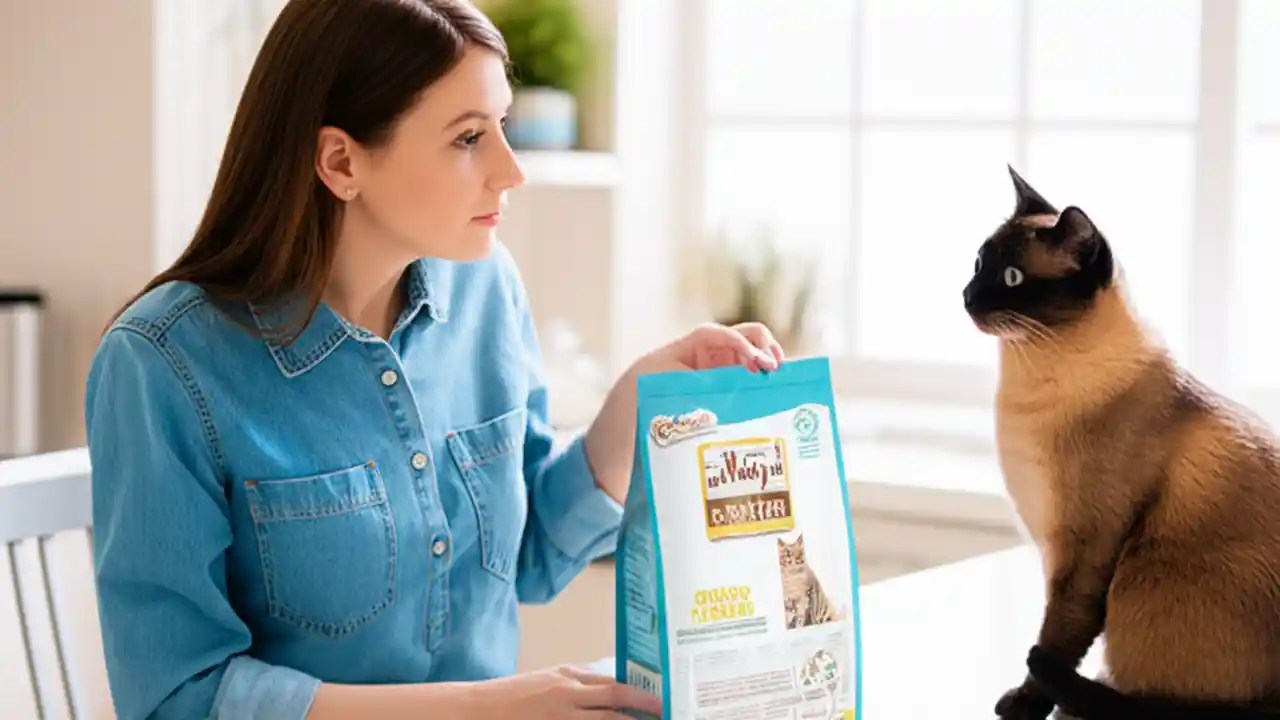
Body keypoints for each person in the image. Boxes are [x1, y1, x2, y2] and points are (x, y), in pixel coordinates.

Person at [84, 0, 784, 718]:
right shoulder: (162, 365)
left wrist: (639, 397)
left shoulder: (485, 289)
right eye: (469, 138)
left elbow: (527, 558)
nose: (510, 171)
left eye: (502, 127)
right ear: (340, 161)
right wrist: (479, 708)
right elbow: (176, 696)